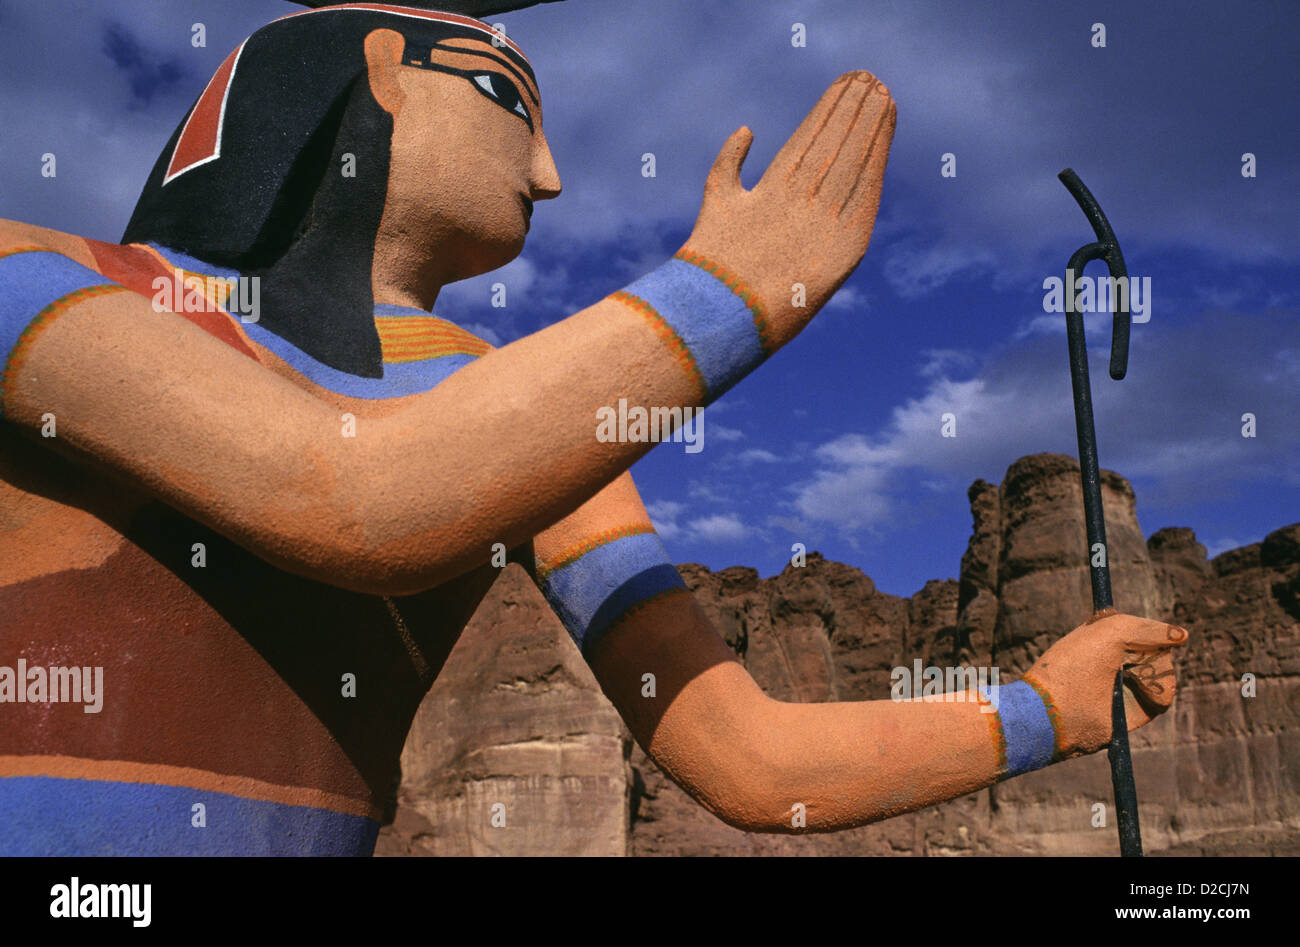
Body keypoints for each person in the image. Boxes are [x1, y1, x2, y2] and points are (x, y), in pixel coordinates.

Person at [0, 3, 1185, 855]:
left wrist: (1043, 707)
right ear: (383, 73)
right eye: (512, 102)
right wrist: (728, 294)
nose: (553, 174)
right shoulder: (33, 267)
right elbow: (349, 497)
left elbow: (747, 758)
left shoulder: (507, 413)